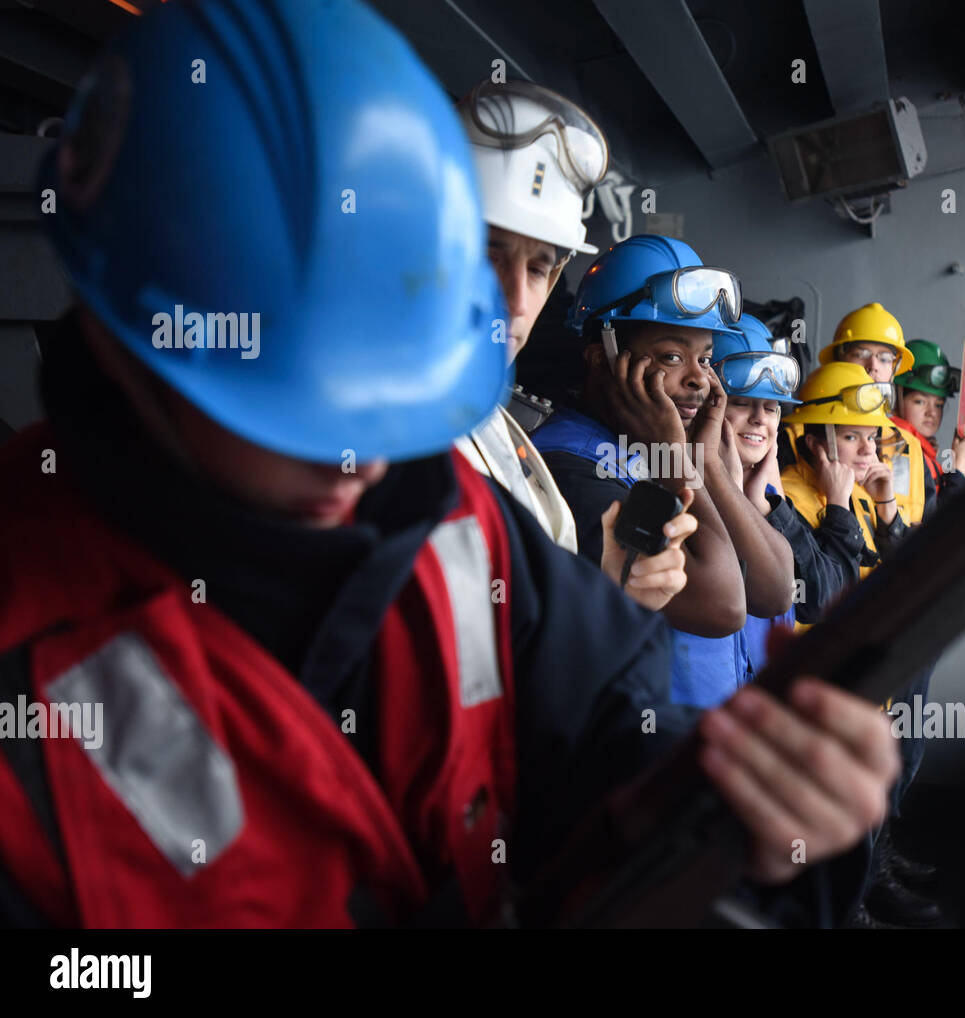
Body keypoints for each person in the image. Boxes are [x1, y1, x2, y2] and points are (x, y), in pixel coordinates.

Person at [0, 0, 898, 929]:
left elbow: (606, 731)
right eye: (316, 396)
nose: (365, 457)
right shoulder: (29, 663)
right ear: (129, 340)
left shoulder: (449, 507)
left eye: (402, 383)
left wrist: (756, 822)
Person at [455, 79, 692, 614]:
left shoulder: (500, 432)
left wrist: (607, 588)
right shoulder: (344, 440)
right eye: (488, 254)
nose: (516, 300)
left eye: (539, 267)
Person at [533, 235, 794, 709]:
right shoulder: (573, 467)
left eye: (706, 359)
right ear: (603, 355)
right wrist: (674, 454)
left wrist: (706, 462)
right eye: (673, 356)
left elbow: (775, 590)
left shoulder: (667, 449)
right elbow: (725, 606)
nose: (698, 378)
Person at [712, 315, 856, 671]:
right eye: (743, 402)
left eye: (772, 407)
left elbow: (822, 599)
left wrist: (765, 508)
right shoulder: (681, 489)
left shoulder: (772, 498)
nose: (761, 418)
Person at [779, 362, 909, 579]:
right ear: (813, 444)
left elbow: (909, 575)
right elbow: (827, 594)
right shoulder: (785, 499)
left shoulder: (860, 490)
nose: (868, 449)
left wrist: (887, 507)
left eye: (870, 437)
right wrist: (837, 507)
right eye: (851, 436)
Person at [817, 302, 928, 526]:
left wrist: (889, 511)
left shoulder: (910, 447)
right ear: (840, 360)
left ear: (894, 369)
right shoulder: (803, 434)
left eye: (885, 358)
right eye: (860, 354)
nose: (872, 366)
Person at [893, 338, 965, 517]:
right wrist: (959, 470)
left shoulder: (920, 453)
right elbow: (933, 529)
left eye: (938, 405)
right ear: (896, 397)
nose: (931, 412)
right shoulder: (898, 450)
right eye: (920, 401)